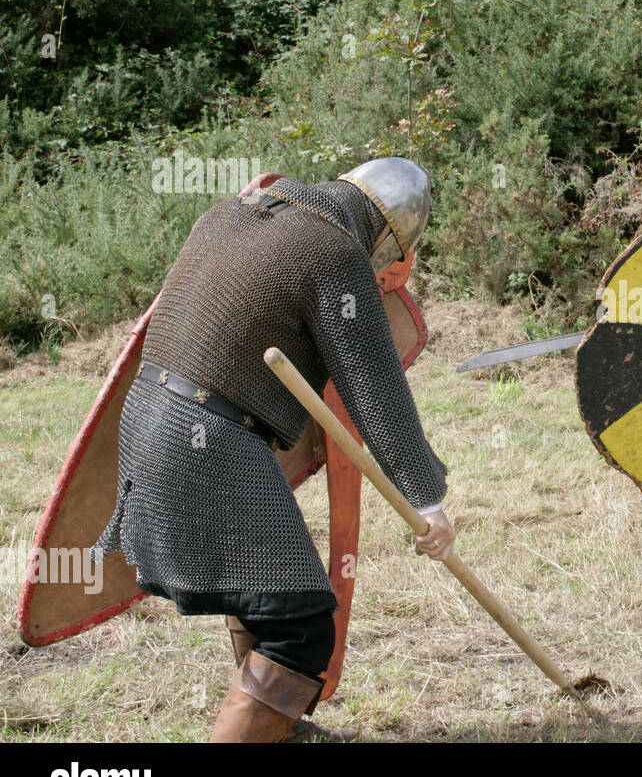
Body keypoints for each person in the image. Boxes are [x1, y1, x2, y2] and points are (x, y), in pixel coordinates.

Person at [92, 158, 455, 742]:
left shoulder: (229, 214)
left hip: (147, 422)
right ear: (388, 235)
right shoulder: (335, 251)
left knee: (261, 590)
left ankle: (275, 730)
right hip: (202, 438)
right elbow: (375, 390)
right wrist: (426, 497)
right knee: (302, 625)